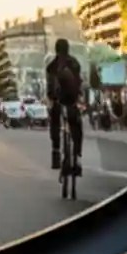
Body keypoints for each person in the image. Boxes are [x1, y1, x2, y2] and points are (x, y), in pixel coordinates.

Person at [46, 38, 83, 174]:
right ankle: (77, 157)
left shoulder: (51, 66)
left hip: (58, 102)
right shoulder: (75, 63)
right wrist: (78, 96)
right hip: (72, 102)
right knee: (77, 127)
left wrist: (51, 98)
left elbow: (50, 87)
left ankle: (56, 152)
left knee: (55, 123)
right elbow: (79, 83)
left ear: (56, 49)